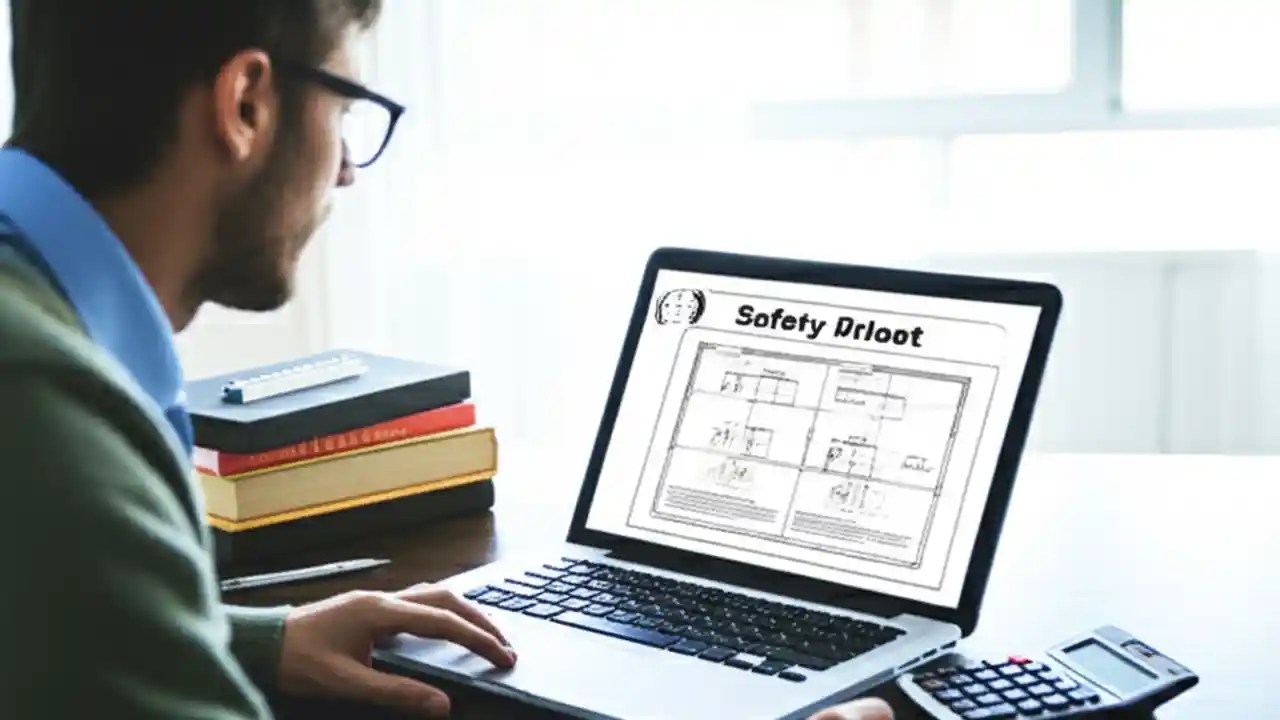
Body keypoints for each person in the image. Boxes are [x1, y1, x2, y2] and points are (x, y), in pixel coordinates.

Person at [0, 2, 894, 718]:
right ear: (247, 104)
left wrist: (251, 640)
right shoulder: (40, 400)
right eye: (346, 111)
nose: (346, 170)